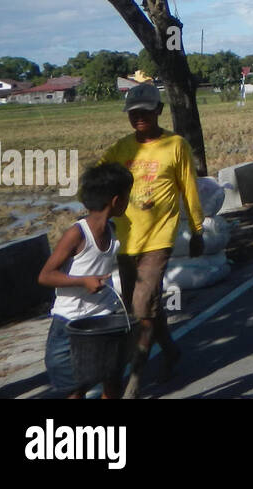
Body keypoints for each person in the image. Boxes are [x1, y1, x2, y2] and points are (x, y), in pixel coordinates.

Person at [99, 81, 203, 398]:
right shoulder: (121, 150)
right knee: (143, 309)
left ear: (158, 110)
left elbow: (189, 189)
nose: (139, 118)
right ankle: (170, 351)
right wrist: (94, 214)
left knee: (142, 306)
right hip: (127, 241)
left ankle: (135, 381)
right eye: (133, 113)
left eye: (145, 111)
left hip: (159, 239)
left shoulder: (175, 146)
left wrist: (197, 229)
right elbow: (99, 180)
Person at [38, 162, 133, 398]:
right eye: (127, 195)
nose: (129, 201)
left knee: (112, 381)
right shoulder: (77, 234)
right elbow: (46, 275)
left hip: (104, 318)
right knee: (75, 388)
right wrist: (84, 281)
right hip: (71, 323)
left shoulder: (112, 230)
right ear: (115, 200)